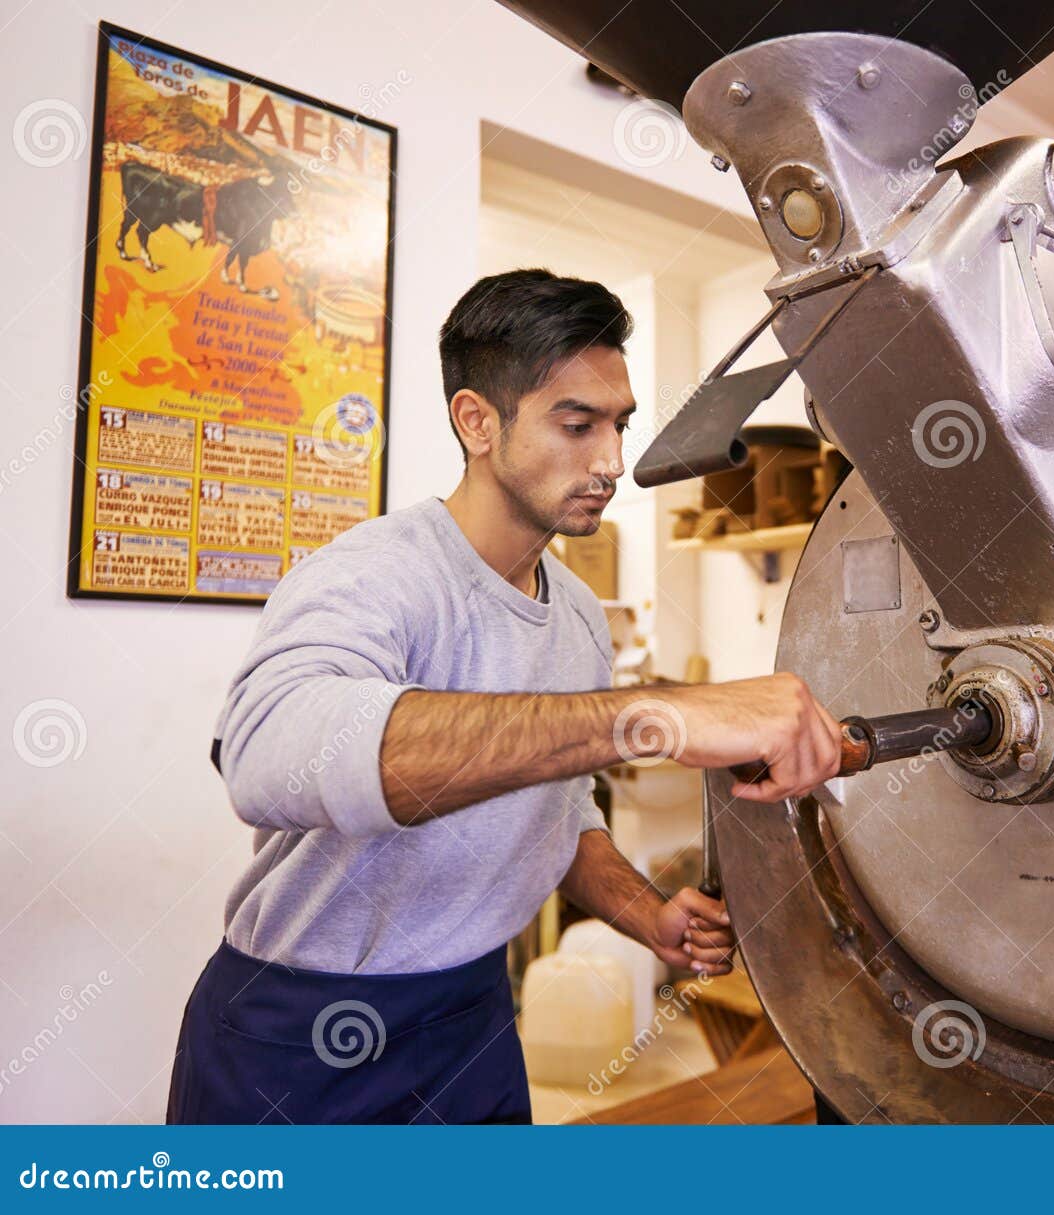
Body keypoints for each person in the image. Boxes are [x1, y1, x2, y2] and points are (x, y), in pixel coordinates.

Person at [167, 268, 842, 1124]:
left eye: (620, 425)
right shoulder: (375, 572)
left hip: (473, 1022)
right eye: (577, 424)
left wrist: (647, 913)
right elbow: (266, 757)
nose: (612, 461)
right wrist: (657, 714)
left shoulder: (577, 623)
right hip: (303, 1033)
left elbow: (557, 816)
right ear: (477, 421)